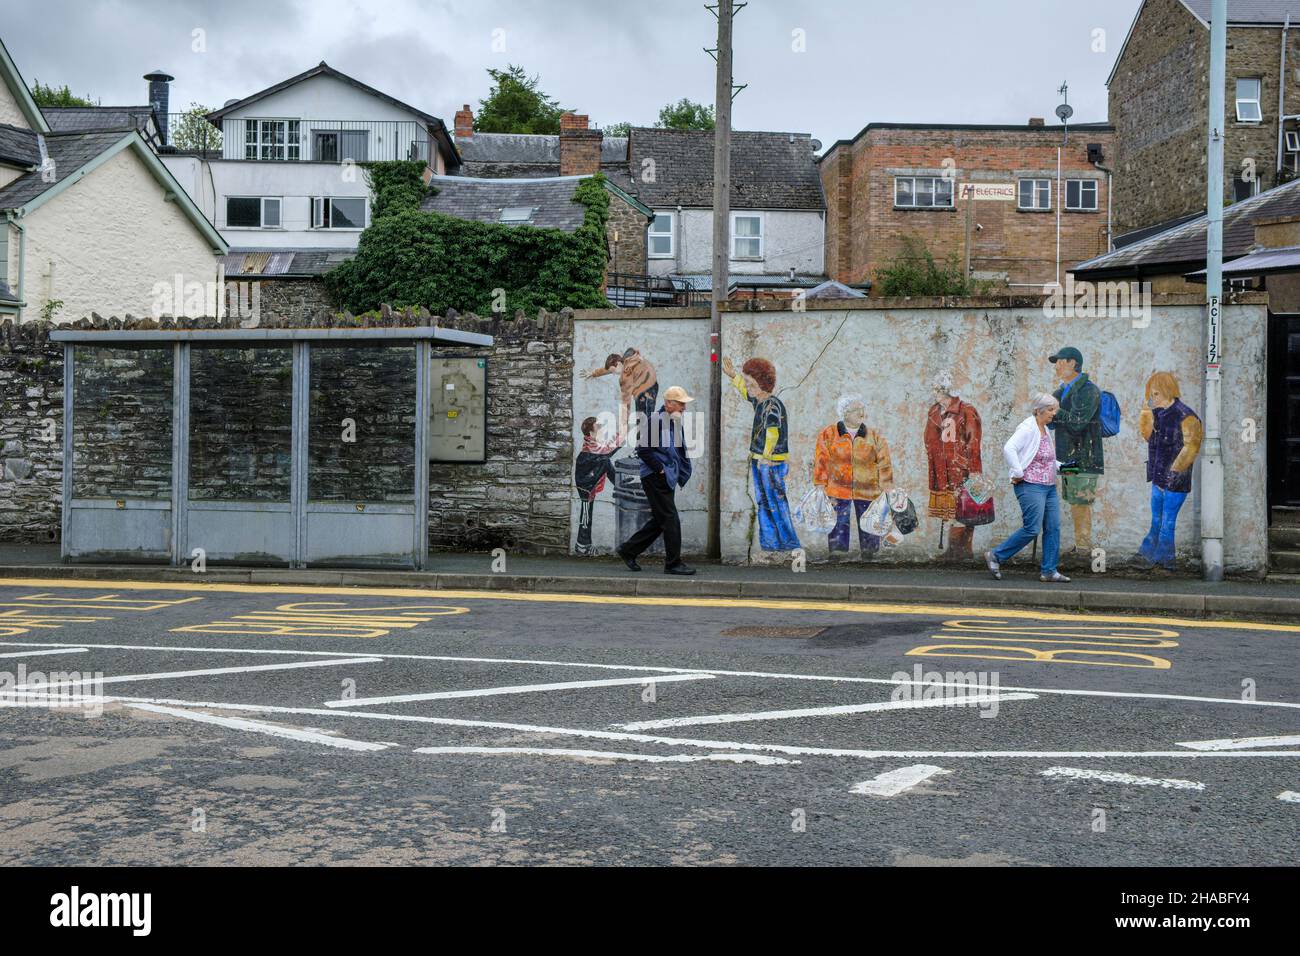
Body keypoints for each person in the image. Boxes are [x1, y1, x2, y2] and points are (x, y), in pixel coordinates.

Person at [984, 394, 1071, 583]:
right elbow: (1009, 448)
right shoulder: (1027, 428)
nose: (1053, 414)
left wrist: (1064, 467)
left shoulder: (1045, 430)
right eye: (1050, 410)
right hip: (1030, 486)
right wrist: (1017, 471)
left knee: (1053, 527)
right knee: (1032, 529)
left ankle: (1049, 571)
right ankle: (996, 555)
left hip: (1048, 487)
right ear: (1039, 410)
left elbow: (1044, 458)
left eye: (1054, 410)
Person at [722, 355, 801, 553]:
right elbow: (744, 392)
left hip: (771, 463)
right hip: (761, 461)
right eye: (747, 381)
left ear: (762, 383)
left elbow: (773, 433)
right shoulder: (760, 401)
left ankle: (789, 543)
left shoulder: (772, 405)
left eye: (750, 382)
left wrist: (766, 457)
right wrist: (733, 376)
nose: (747, 385)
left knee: (776, 502)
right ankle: (770, 543)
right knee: (763, 502)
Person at [617, 385, 696, 575]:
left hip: (664, 477)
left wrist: (675, 472)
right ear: (669, 404)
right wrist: (660, 469)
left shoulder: (671, 421)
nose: (684, 408)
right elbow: (643, 450)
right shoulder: (657, 421)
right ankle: (673, 564)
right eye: (681, 404)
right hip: (655, 478)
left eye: (684, 404)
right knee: (670, 519)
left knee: (661, 520)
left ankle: (628, 550)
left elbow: (676, 451)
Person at [1136, 371, 1203, 570]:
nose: (1151, 398)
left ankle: (1165, 562)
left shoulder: (1186, 416)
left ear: (1167, 391)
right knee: (1157, 519)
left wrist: (1172, 476)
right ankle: (1148, 555)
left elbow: (1191, 448)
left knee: (1167, 522)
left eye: (1155, 394)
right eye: (1150, 394)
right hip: (1158, 477)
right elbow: (1148, 436)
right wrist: (1145, 413)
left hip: (1175, 481)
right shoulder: (1157, 414)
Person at [812, 394, 893, 554]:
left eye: (862, 409)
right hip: (837, 489)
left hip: (868, 489)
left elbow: (884, 462)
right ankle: (837, 553)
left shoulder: (873, 436)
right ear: (845, 413)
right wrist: (820, 483)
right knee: (838, 523)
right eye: (856, 410)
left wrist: (887, 485)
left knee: (869, 523)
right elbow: (821, 459)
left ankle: (870, 554)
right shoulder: (829, 434)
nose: (861, 413)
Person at [1048, 346, 1103, 561]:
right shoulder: (1062, 391)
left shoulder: (1089, 390)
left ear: (1073, 363)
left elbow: (1078, 423)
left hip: (1085, 457)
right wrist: (1048, 411)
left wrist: (1056, 410)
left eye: (1060, 361)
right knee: (1074, 500)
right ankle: (1081, 546)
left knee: (1082, 501)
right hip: (1068, 458)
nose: (1057, 366)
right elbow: (1053, 423)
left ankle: (1084, 548)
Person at [923, 373, 983, 558]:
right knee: (949, 509)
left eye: (936, 389)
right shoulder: (934, 411)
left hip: (960, 468)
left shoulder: (966, 410)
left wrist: (974, 471)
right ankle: (955, 550)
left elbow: (973, 442)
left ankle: (961, 550)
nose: (933, 393)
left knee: (963, 508)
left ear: (944, 390)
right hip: (940, 468)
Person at [581, 348, 658, 439]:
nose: (614, 374)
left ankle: (643, 447)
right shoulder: (628, 357)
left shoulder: (625, 378)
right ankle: (643, 443)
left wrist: (624, 426)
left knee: (643, 420)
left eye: (613, 371)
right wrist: (594, 373)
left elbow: (626, 403)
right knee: (643, 419)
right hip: (653, 385)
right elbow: (610, 369)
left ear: (617, 364)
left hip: (645, 393)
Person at [573, 416, 622, 556]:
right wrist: (623, 436)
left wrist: (622, 435)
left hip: (589, 483)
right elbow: (607, 451)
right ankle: (582, 546)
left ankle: (583, 545)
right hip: (586, 486)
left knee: (605, 460)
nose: (601, 430)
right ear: (590, 433)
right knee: (585, 516)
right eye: (598, 428)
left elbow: (606, 450)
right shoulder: (589, 450)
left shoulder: (594, 446)